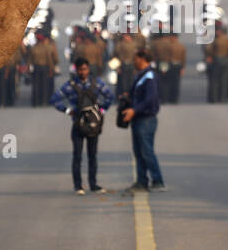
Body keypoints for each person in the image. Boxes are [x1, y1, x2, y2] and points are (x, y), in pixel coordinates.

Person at [52, 57, 115, 194]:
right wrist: (68, 111)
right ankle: (78, 186)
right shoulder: (70, 85)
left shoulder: (96, 83)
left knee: (93, 155)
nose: (83, 72)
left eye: (85, 69)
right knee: (77, 156)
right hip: (78, 124)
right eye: (80, 70)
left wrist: (101, 110)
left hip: (93, 124)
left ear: (88, 69)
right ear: (76, 70)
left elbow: (110, 96)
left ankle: (93, 184)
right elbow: (55, 99)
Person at [122, 49, 164, 193]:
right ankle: (141, 181)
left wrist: (134, 109)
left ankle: (158, 180)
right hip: (138, 119)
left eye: (135, 59)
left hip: (146, 119)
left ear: (141, 59)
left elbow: (150, 99)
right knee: (139, 152)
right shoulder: (141, 76)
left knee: (146, 151)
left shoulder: (149, 77)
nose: (134, 62)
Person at [205, 23, 228, 103]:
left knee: (216, 81)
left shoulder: (214, 40)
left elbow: (208, 50)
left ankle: (216, 98)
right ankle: (222, 98)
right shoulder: (227, 40)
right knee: (223, 81)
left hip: (217, 61)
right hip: (224, 61)